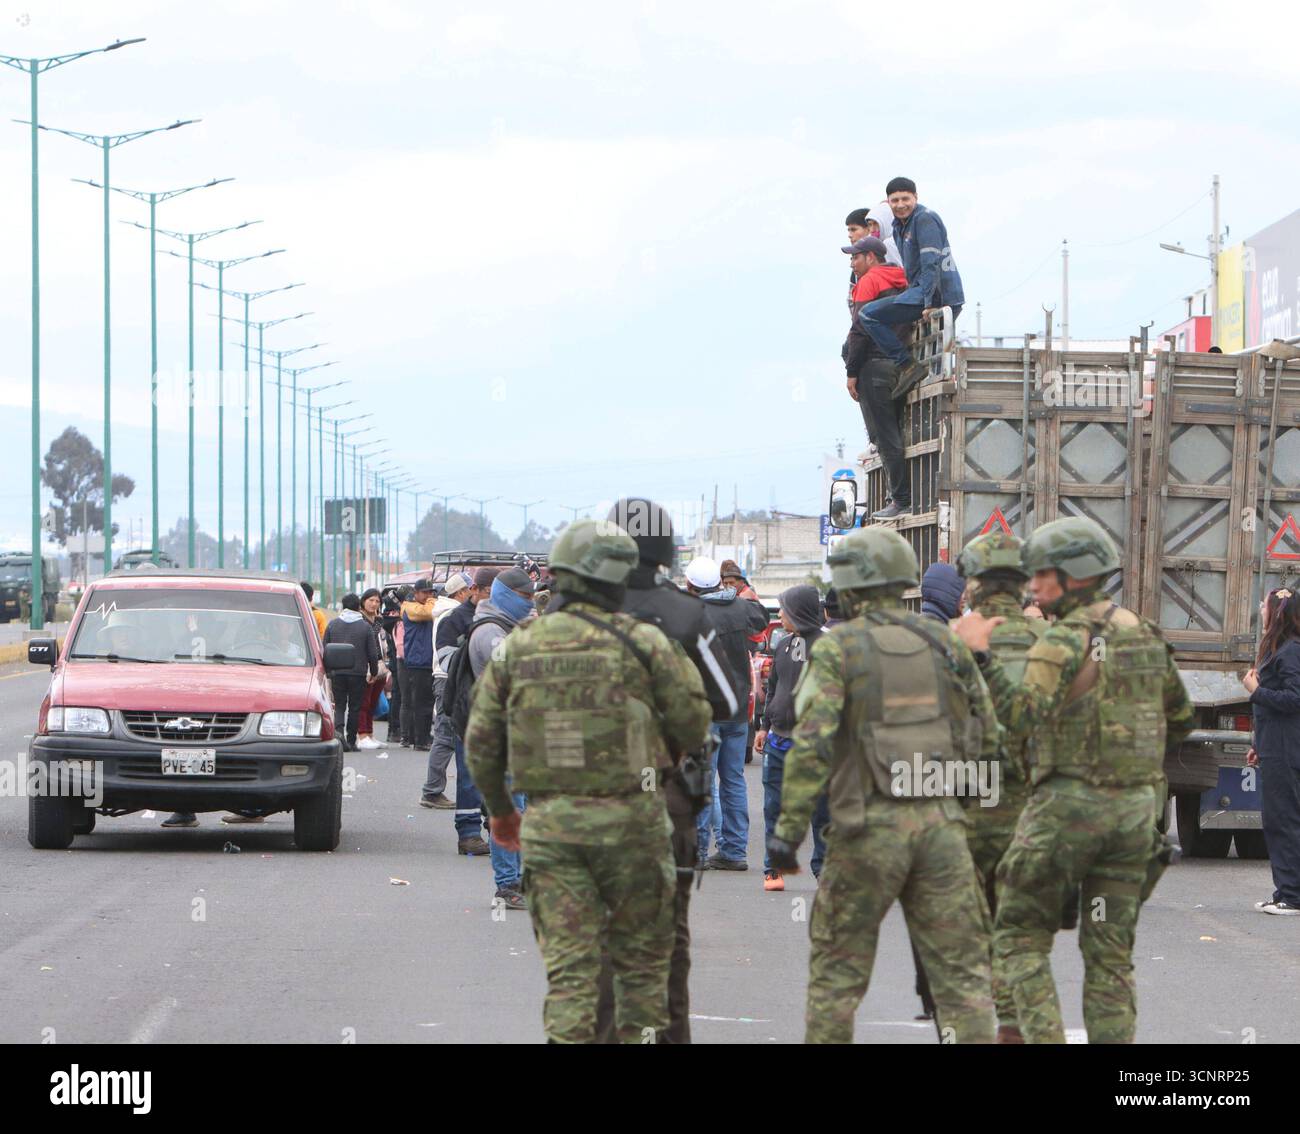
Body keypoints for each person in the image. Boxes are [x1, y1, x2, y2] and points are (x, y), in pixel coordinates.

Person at [465, 520, 711, 1043]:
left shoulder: (520, 646)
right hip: (637, 830)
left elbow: (482, 738)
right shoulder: (647, 643)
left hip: (553, 832)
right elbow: (694, 724)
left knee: (572, 980)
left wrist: (502, 810)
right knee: (643, 978)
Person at [954, 516, 1194, 1044]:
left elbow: (1019, 719)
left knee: (1017, 938)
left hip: (1065, 812)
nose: (1032, 586)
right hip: (1135, 819)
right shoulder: (1144, 633)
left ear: (1074, 576)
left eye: (1043, 576)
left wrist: (980, 656)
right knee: (1109, 958)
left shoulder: (1062, 640)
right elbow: (1180, 719)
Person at [768, 526, 1000, 1043]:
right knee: (962, 980)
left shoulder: (839, 649)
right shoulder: (945, 643)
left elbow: (812, 744)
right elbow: (987, 737)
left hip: (864, 831)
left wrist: (787, 834)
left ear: (847, 586)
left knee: (836, 980)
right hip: (941, 832)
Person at [600, 497, 749, 1044]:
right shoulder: (687, 614)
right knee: (668, 939)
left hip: (583, 799)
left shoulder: (575, 612)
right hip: (666, 797)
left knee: (593, 942)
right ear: (665, 549)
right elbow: (730, 702)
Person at [955, 531, 1048, 1042]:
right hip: (1033, 809)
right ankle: (1013, 1026)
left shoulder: (950, 641)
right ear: (1023, 586)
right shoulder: (1051, 643)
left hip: (967, 806)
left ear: (972, 584)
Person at [684, 555, 767, 870]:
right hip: (736, 711)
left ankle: (700, 852)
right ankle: (734, 851)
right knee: (733, 779)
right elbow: (760, 616)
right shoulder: (741, 607)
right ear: (719, 583)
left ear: (691, 585)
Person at [467, 567, 537, 911]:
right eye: (524, 598)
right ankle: (507, 884)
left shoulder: (506, 628)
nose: (529, 604)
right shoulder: (491, 633)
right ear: (506, 595)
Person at [859, 177, 965, 400]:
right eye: (895, 200)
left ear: (915, 197)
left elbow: (931, 263)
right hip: (921, 291)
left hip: (938, 294)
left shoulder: (925, 219)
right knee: (934, 357)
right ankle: (910, 368)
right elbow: (911, 270)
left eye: (905, 198)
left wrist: (929, 304)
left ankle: (907, 365)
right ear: (888, 203)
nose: (900, 204)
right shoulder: (899, 227)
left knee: (868, 315)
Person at [755, 584, 827, 891]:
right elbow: (774, 689)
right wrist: (763, 726)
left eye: (786, 608)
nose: (781, 614)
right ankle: (774, 869)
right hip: (778, 741)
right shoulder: (783, 645)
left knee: (821, 810)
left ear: (800, 612)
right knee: (774, 807)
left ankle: (823, 871)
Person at [842, 236, 912, 521]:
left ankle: (900, 499)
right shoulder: (901, 278)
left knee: (884, 437)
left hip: (873, 366)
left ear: (871, 257)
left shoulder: (869, 282)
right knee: (893, 433)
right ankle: (896, 495)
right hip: (897, 364)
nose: (852, 263)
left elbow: (859, 331)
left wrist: (852, 372)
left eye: (855, 257)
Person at [1243, 587, 1300, 915]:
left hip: (1287, 748)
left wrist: (1256, 691)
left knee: (1284, 822)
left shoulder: (1290, 651)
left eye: (1264, 604)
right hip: (1274, 746)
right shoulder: (1278, 648)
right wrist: (1257, 745)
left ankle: (1291, 896)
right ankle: (1285, 892)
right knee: (1280, 821)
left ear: (1276, 611)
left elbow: (1294, 699)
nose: (1260, 609)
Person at [436, 567, 499, 855]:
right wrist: (474, 649)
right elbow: (447, 662)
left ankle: (496, 826)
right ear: (475, 589)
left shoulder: (503, 620)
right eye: (488, 590)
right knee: (469, 772)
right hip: (468, 707)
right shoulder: (455, 620)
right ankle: (469, 832)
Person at [419, 572, 472, 807]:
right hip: (448, 678)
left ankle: (433, 789)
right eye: (471, 589)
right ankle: (432, 790)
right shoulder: (452, 615)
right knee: (445, 736)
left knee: (447, 735)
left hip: (444, 676)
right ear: (460, 592)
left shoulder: (444, 612)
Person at [323, 593, 380, 752]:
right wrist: (374, 672)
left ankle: (339, 737)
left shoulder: (333, 624)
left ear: (342, 606)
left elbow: (324, 648)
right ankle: (351, 741)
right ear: (359, 607)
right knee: (355, 707)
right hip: (358, 673)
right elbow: (372, 653)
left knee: (340, 706)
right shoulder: (365, 627)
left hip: (337, 673)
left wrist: (327, 671)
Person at [400, 580, 438, 750]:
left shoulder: (424, 606)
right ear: (415, 592)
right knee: (421, 703)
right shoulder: (409, 606)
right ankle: (420, 740)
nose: (429, 595)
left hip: (427, 660)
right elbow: (428, 612)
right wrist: (432, 601)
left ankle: (420, 737)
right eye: (425, 592)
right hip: (417, 661)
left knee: (426, 703)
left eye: (431, 592)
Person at [355, 588, 390, 750]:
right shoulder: (359, 619)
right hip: (366, 665)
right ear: (363, 601)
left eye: (377, 601)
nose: (374, 604)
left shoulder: (378, 620)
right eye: (371, 600)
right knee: (364, 701)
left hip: (380, 664)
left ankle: (369, 734)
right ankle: (361, 734)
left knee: (373, 702)